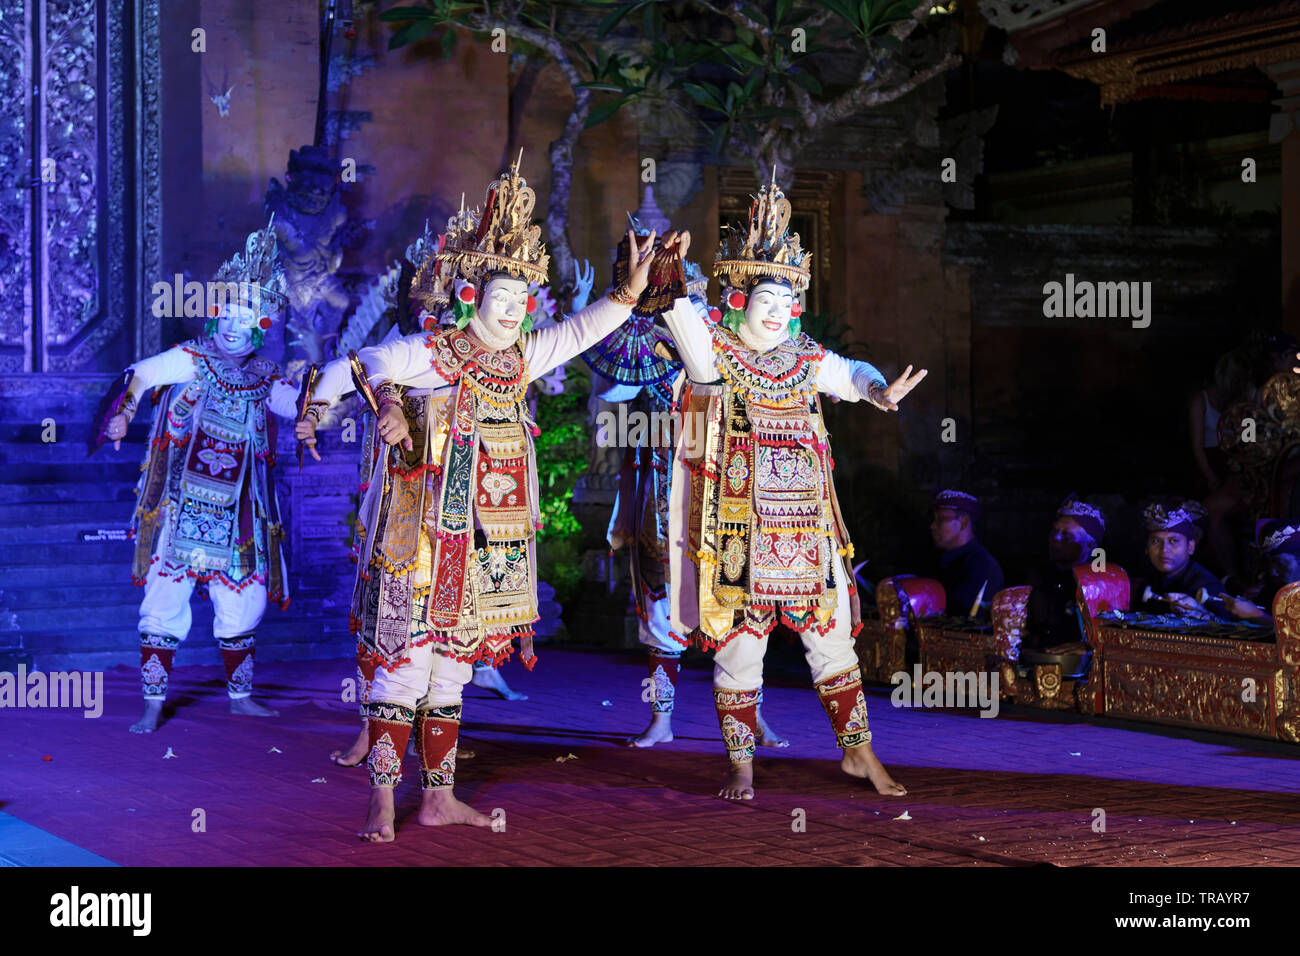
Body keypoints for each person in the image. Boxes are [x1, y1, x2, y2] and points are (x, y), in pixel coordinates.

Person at [298, 160, 655, 840]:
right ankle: (380, 800)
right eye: (503, 291)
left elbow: (581, 333)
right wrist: (356, 406)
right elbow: (369, 364)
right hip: (424, 538)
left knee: (453, 677)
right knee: (403, 672)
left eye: (524, 294)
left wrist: (628, 294)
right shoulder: (433, 351)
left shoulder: (522, 357)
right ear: (473, 293)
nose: (515, 305)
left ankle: (437, 799)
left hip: (489, 544)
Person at [659, 178, 926, 801]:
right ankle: (741, 765)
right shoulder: (714, 353)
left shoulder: (805, 356)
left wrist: (879, 388)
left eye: (787, 299)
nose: (777, 311)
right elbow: (679, 315)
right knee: (739, 647)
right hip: (738, 529)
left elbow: (852, 373)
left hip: (807, 528)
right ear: (738, 298)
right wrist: (663, 272)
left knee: (833, 645)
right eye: (765, 298)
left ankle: (859, 755)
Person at [581, 223, 787, 749]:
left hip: (721, 498)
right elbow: (612, 388)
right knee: (658, 615)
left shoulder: (726, 357)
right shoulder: (641, 360)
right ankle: (662, 719)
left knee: (739, 611)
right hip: (657, 500)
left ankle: (752, 717)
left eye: (689, 301)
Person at [91, 221, 295, 733]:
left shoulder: (267, 378)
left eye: (243, 320)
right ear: (215, 317)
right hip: (181, 507)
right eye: (225, 314)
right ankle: (153, 702)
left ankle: (241, 694)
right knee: (164, 598)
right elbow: (140, 373)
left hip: (241, 510)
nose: (231, 326)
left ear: (259, 329)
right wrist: (125, 411)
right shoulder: (191, 359)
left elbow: (301, 407)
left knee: (244, 598)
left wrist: (334, 403)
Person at [1024, 496, 1106, 651]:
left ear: (1090, 544)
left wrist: (1089, 648)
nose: (1055, 537)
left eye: (1067, 534)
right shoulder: (1038, 576)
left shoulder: (1102, 583)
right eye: (1055, 531)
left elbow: (1111, 641)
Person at [1132, 499, 1226, 621]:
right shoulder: (1149, 582)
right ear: (1146, 547)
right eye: (1156, 541)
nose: (1164, 550)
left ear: (1190, 547)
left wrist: (1201, 612)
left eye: (1174, 541)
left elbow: (1224, 629)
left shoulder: (1208, 587)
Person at [927, 489, 1004, 618]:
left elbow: (961, 620)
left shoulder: (982, 567)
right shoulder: (939, 562)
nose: (933, 526)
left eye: (941, 519)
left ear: (963, 522)